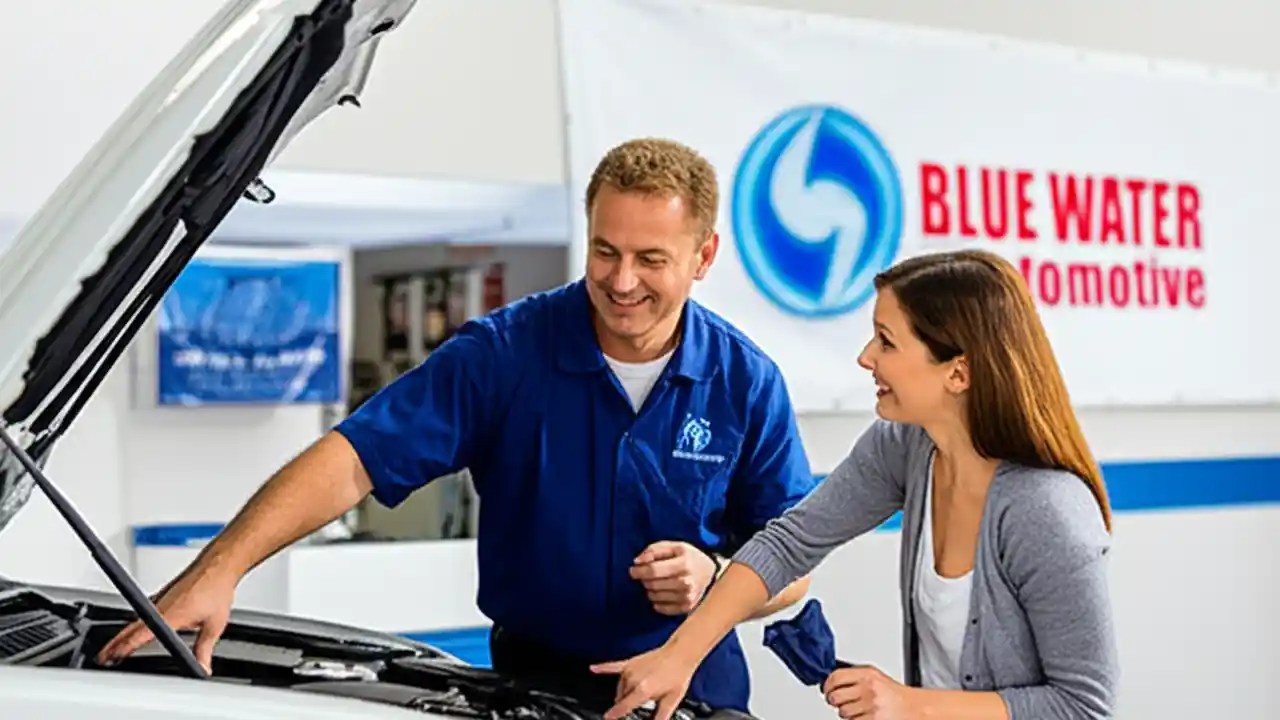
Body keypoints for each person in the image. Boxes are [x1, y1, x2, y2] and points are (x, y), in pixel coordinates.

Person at [96, 137, 817, 714]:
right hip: (536, 690)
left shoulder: (746, 382)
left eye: (651, 259)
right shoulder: (506, 354)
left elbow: (795, 570)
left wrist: (718, 575)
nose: (622, 281)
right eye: (606, 251)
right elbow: (353, 458)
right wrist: (220, 570)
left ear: (704, 257)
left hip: (692, 693)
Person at [590, 249, 1120, 720]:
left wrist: (910, 706)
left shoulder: (1046, 510)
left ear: (958, 374)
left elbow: (1083, 705)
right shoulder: (906, 446)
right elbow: (788, 543)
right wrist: (679, 657)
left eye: (887, 341)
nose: (867, 357)